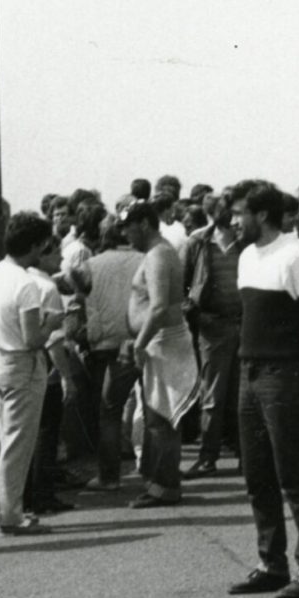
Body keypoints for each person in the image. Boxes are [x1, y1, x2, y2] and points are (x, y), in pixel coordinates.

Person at [225, 180, 299, 598]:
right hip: (249, 373)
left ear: (261, 215)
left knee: (292, 473)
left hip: (283, 376)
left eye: (239, 213)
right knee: (256, 474)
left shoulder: (296, 257)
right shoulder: (246, 257)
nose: (233, 221)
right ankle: (271, 564)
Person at [0, 211, 64, 534]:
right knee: (18, 444)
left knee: (8, 439)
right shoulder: (26, 284)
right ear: (36, 246)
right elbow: (33, 339)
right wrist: (52, 323)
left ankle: (9, 509)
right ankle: (11, 515)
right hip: (21, 364)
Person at [121, 201, 199, 508]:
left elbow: (157, 305)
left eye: (127, 227)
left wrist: (139, 343)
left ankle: (165, 486)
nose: (126, 234)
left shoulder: (157, 255)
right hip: (160, 342)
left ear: (143, 224)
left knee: (162, 418)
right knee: (157, 416)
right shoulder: (159, 253)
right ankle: (159, 483)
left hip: (164, 343)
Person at [72, 214, 145, 488]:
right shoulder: (146, 260)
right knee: (151, 408)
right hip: (141, 339)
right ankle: (156, 471)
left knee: (109, 412)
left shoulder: (90, 265)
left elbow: (75, 291)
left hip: (105, 344)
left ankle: (109, 476)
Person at [182, 190, 245, 476]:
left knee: (243, 397)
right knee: (213, 397)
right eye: (224, 209)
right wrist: (197, 316)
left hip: (244, 326)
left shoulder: (246, 243)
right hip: (213, 328)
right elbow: (180, 288)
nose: (230, 215)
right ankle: (208, 457)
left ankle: (247, 455)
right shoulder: (197, 243)